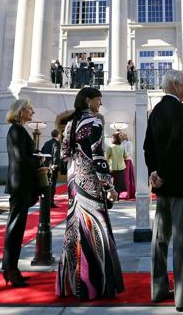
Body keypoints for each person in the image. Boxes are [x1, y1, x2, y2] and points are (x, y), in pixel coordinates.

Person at [143, 70, 183, 312]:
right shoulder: (179, 110)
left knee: (159, 239)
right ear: (177, 85)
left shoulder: (157, 109)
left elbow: (149, 145)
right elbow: (177, 145)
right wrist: (164, 173)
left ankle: (158, 289)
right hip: (178, 185)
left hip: (163, 185)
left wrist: (154, 172)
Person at [57, 87, 124, 300]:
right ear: (88, 100)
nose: (100, 104)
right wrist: (110, 186)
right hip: (90, 182)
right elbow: (97, 155)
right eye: (98, 100)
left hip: (73, 181)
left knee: (75, 229)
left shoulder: (69, 124)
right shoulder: (94, 122)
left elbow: (64, 154)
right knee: (96, 227)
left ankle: (72, 284)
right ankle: (95, 284)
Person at [1, 98, 40, 288]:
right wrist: (39, 162)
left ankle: (11, 267)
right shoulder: (15, 131)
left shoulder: (20, 130)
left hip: (23, 184)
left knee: (17, 228)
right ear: (20, 111)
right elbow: (20, 158)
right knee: (15, 228)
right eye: (29, 109)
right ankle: (9, 269)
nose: (32, 112)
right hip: (19, 184)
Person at [40, 129, 61, 207]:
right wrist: (55, 164)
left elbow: (42, 153)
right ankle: (50, 202)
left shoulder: (47, 143)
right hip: (53, 167)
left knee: (47, 184)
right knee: (52, 184)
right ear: (58, 135)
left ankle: (46, 201)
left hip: (46, 166)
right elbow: (56, 154)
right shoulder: (56, 143)